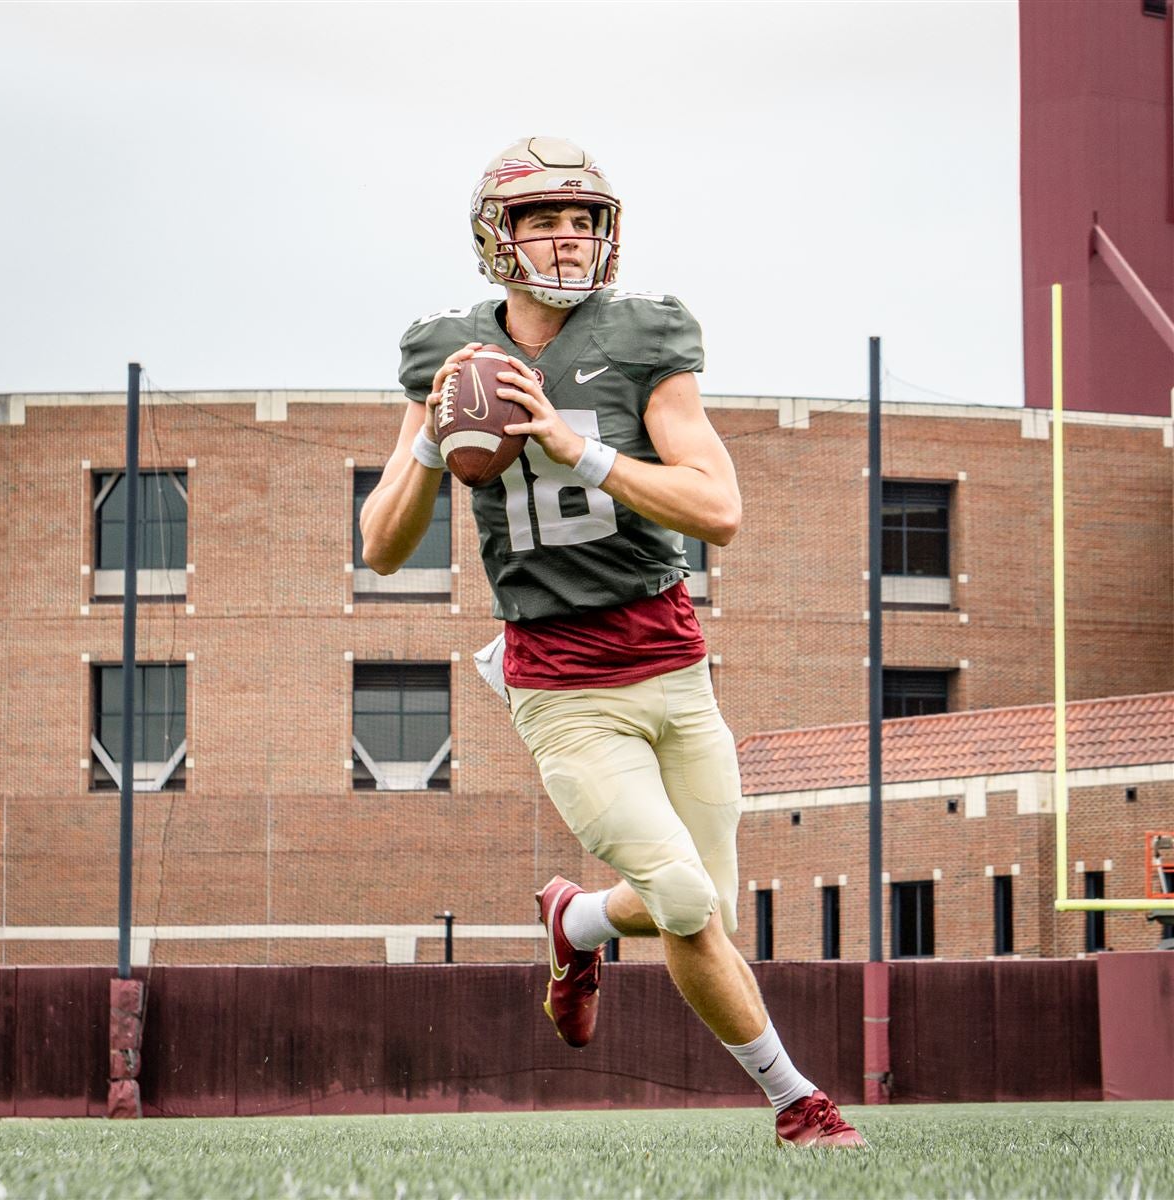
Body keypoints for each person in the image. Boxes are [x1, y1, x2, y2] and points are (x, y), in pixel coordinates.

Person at [361, 136, 864, 1148]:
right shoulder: (449, 352)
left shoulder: (642, 338)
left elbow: (717, 507)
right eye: (544, 218)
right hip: (561, 682)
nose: (568, 237)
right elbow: (379, 547)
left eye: (584, 218)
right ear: (494, 238)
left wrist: (576, 446)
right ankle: (798, 1104)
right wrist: (433, 428)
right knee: (684, 899)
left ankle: (577, 923)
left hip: (674, 666)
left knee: (704, 897)